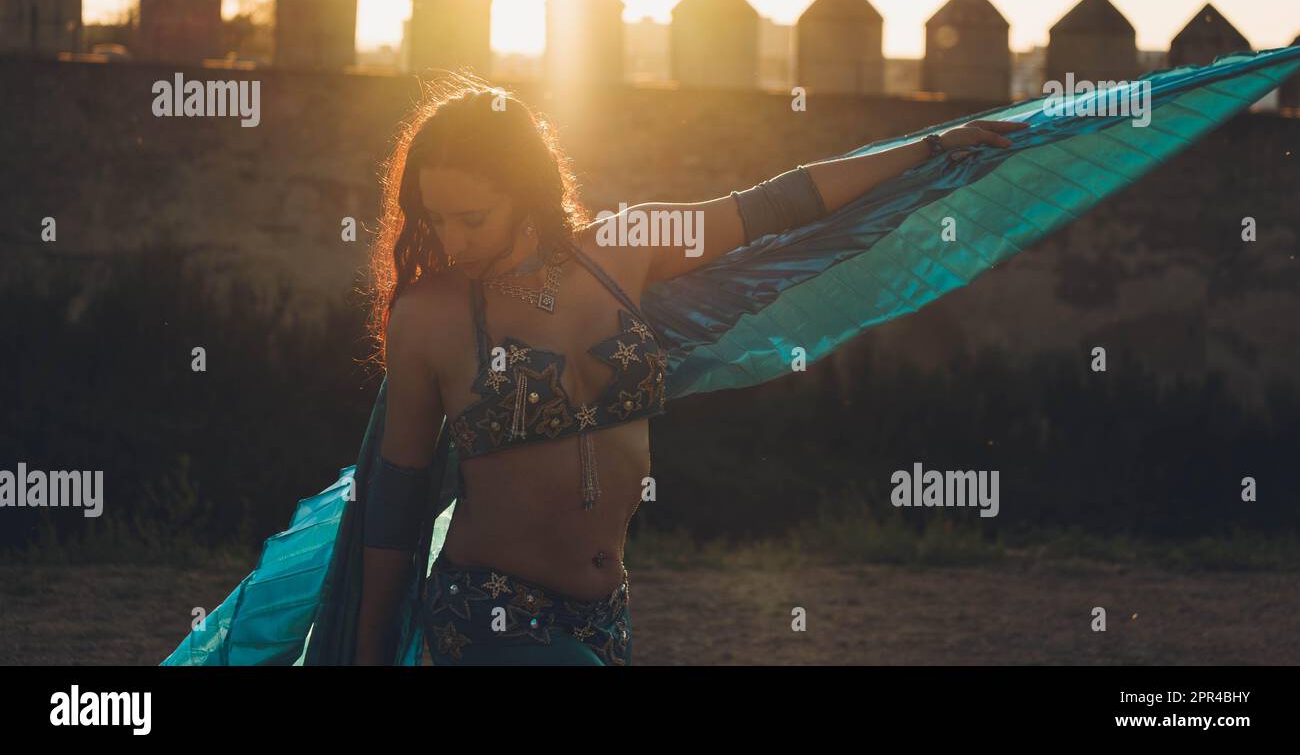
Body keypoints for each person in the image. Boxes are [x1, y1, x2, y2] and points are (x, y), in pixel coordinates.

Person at [354, 71, 1026, 665]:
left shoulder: (623, 251)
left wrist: (930, 149)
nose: (451, 240)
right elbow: (397, 497)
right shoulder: (428, 315)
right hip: (490, 612)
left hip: (606, 615)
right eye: (435, 218)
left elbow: (775, 206)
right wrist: (367, 652)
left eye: (472, 217)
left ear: (526, 191)